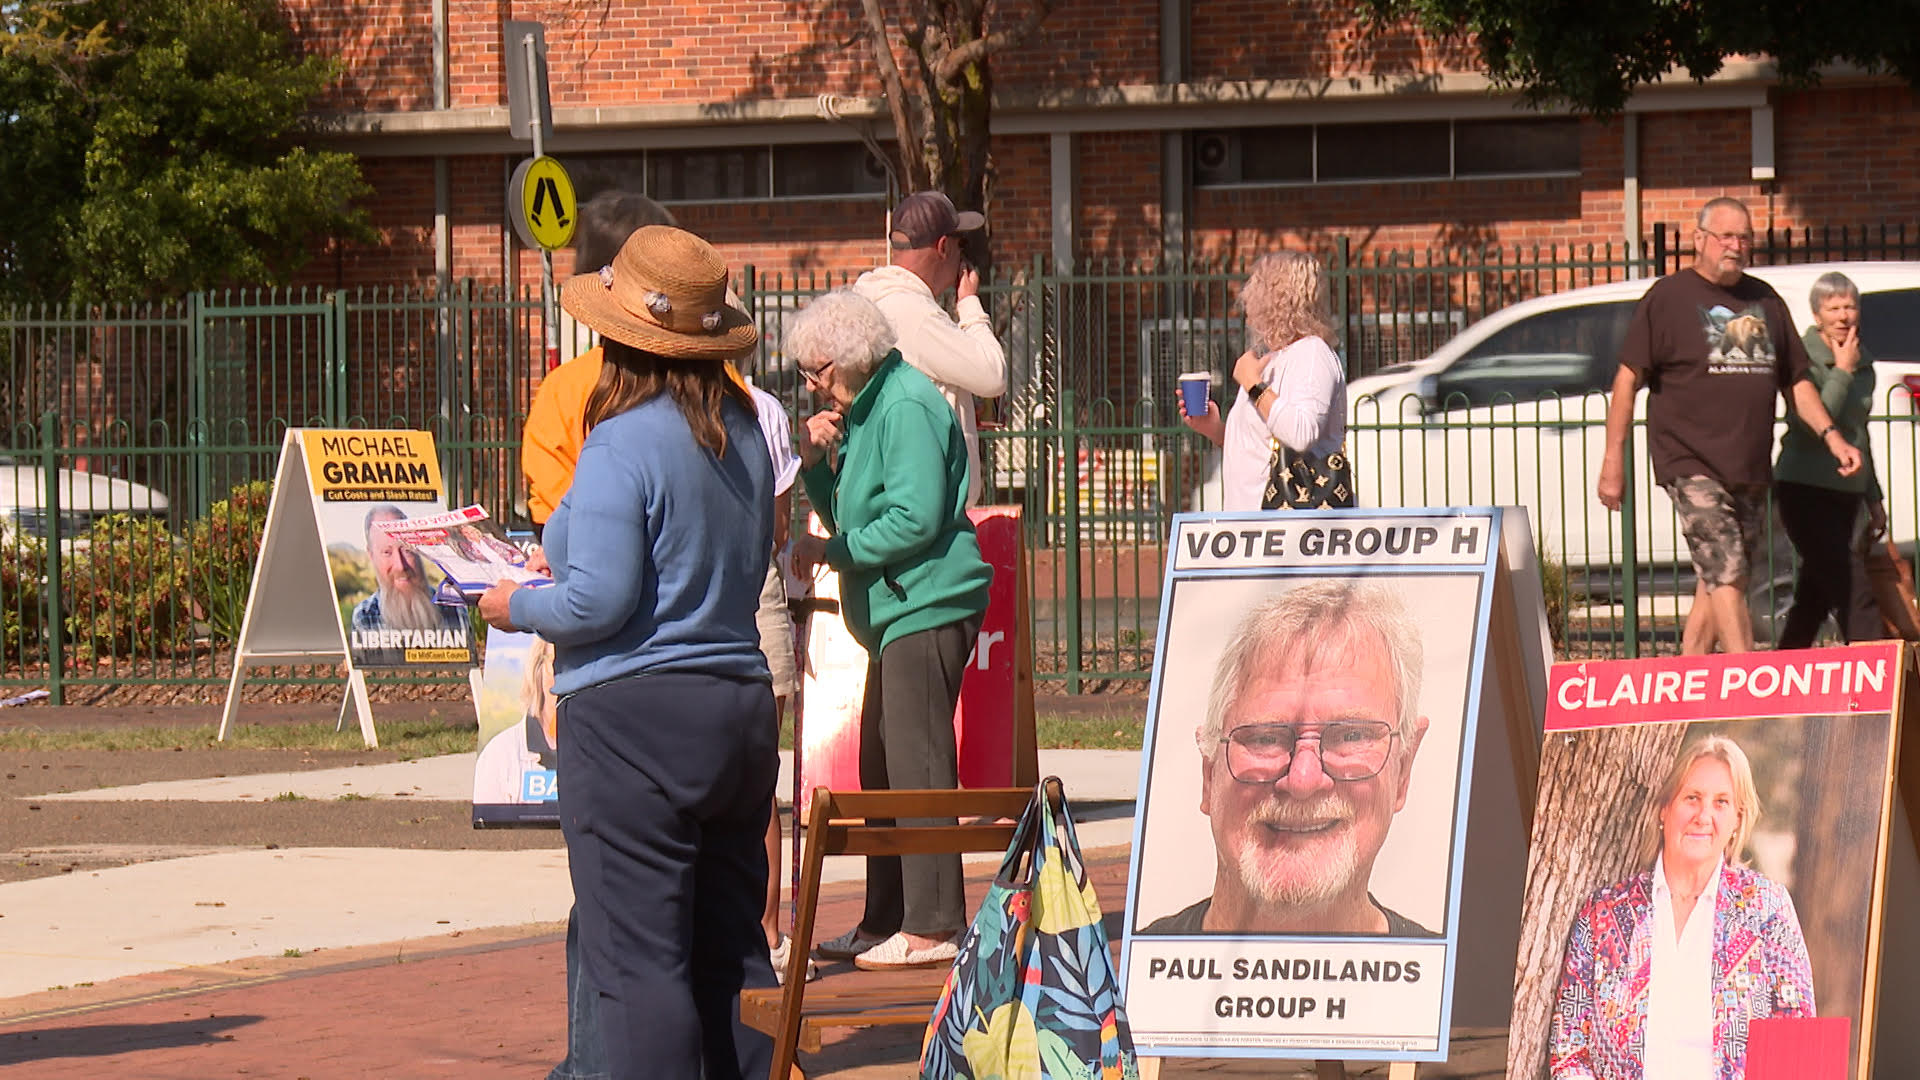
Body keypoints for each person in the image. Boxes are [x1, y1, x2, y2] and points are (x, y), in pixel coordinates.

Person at [477, 225, 777, 1080]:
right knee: (731, 951)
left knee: (639, 963)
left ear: (617, 341)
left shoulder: (620, 441)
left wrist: (515, 604)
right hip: (738, 708)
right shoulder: (744, 431)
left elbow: (598, 603)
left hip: (633, 720)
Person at [785, 288, 994, 970]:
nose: (811, 384)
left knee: (919, 763)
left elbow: (915, 518)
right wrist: (817, 464)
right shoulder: (869, 407)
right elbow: (849, 509)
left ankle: (934, 924)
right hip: (899, 612)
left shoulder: (903, 405)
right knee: (883, 763)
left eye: (815, 370)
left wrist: (832, 554)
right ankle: (886, 917)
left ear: (847, 359)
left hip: (929, 604)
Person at [1597, 196, 1863, 655]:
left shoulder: (1764, 300)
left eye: (1745, 237)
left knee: (1716, 575)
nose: (1736, 246)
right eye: (1727, 236)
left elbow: (1796, 383)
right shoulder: (1669, 298)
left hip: (1748, 466)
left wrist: (1833, 436)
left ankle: (1688, 673)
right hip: (1689, 460)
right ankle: (1746, 681)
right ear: (1699, 239)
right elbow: (1626, 381)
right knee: (1729, 571)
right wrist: (1612, 463)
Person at [1141, 579, 1435, 936]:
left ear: (1403, 770)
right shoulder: (1130, 985)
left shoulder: (1453, 987)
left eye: (1351, 736)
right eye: (1265, 738)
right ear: (1209, 773)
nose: (1303, 780)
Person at [1549, 735, 1815, 1079]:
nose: (1703, 815)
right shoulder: (1604, 914)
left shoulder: (1766, 909)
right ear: (1665, 808)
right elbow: (1569, 1049)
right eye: (1692, 798)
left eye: (1721, 802)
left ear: (1737, 820)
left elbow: (1799, 1042)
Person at [852, 190, 1007, 507]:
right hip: (930, 509)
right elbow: (994, 375)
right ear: (943, 247)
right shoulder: (913, 314)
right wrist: (969, 303)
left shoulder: (874, 301)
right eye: (960, 245)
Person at [1180, 251, 1347, 512]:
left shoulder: (1312, 354)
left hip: (1289, 530)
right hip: (1254, 527)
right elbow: (1261, 445)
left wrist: (1253, 384)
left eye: (1256, 286)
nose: (1247, 299)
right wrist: (1214, 429)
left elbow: (1301, 433)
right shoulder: (1275, 360)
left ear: (1274, 298)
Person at [1774, 271, 1887, 649]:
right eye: (1833, 308)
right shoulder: (1804, 359)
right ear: (1816, 315)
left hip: (1847, 492)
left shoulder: (1862, 362)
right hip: (1804, 488)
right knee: (1851, 582)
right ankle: (1881, 667)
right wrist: (1840, 370)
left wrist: (1874, 499)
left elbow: (1859, 433)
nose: (1843, 316)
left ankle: (1786, 668)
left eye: (1850, 306)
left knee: (1815, 597)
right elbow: (1815, 423)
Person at [348, 504, 469, 664]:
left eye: (406, 550)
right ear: (371, 555)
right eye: (387, 552)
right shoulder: (365, 616)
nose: (400, 565)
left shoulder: (455, 610)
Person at [473, 636, 558, 805]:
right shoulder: (499, 755)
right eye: (557, 663)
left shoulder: (601, 747)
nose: (568, 676)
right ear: (538, 669)